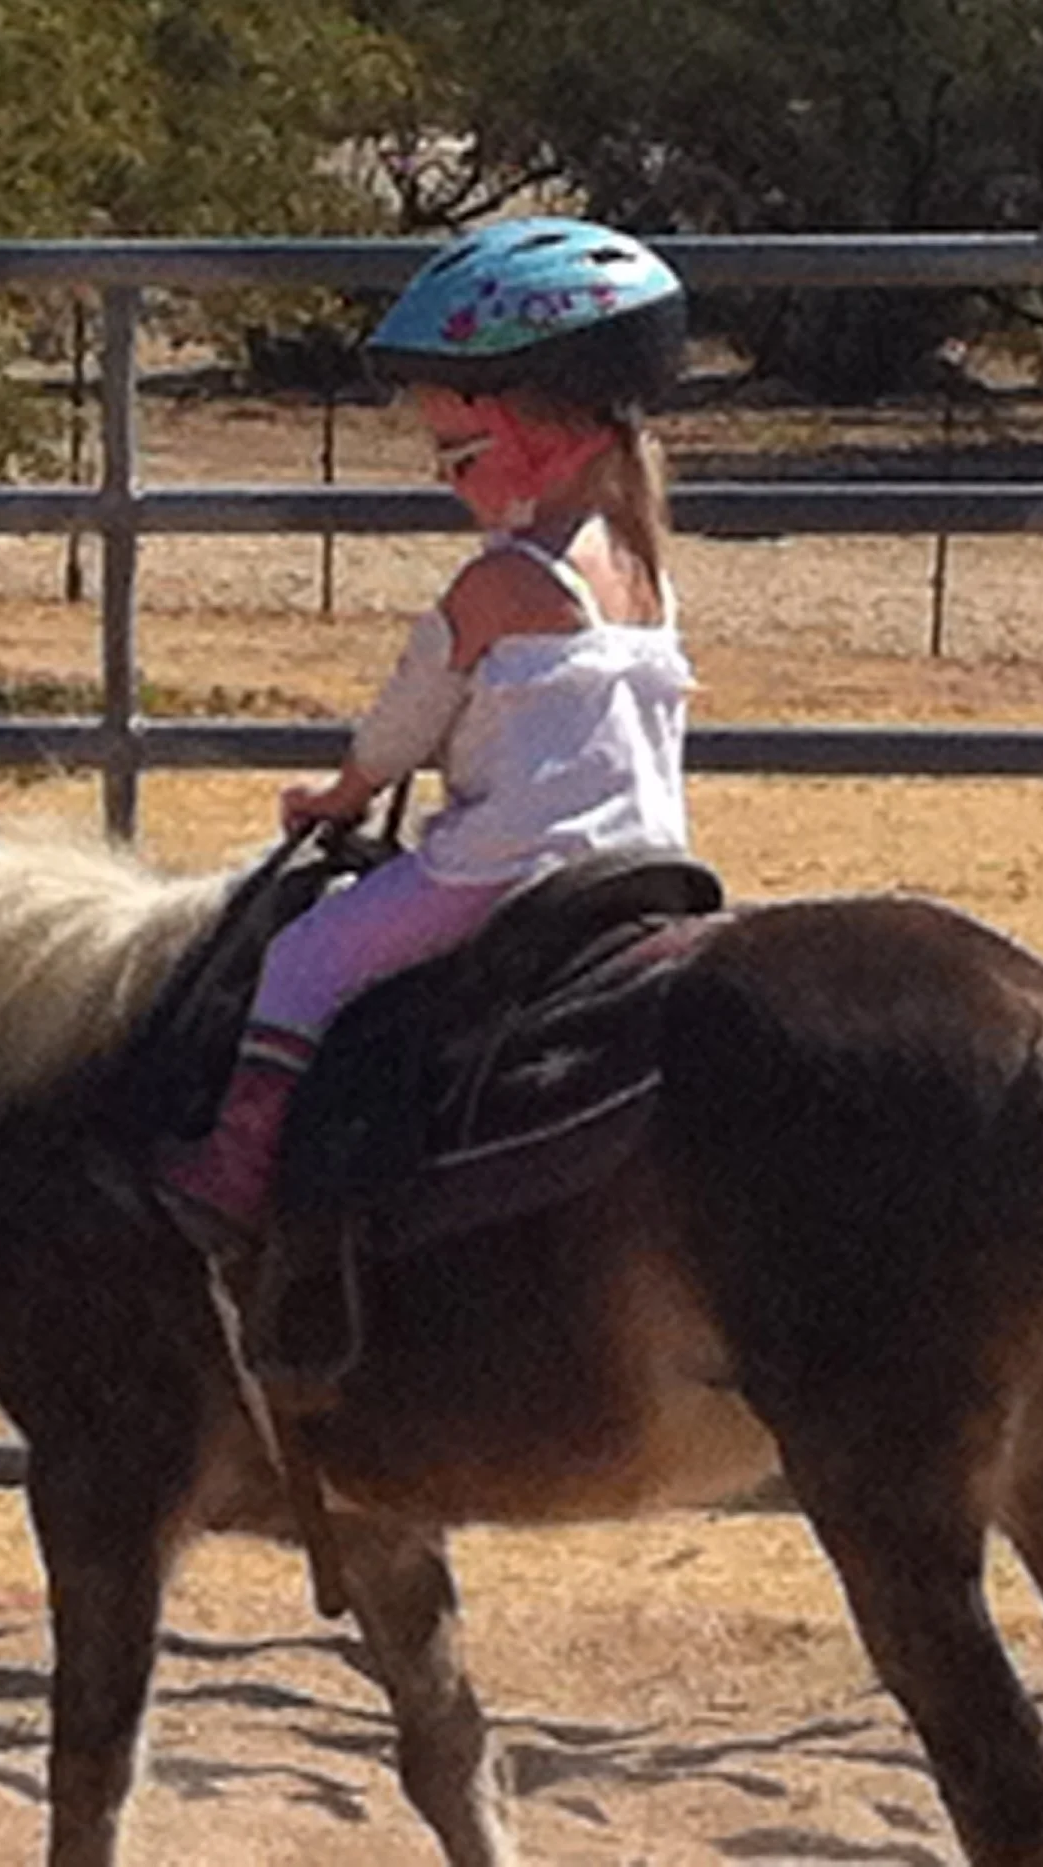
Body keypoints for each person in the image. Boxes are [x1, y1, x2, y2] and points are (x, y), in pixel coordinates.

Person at [158, 217, 694, 1376]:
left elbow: (408, 722)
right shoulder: (638, 563)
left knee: (305, 963)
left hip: (504, 867)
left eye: (457, 455)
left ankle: (234, 1175)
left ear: (536, 439)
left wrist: (340, 792)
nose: (448, 483)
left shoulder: (500, 580)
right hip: (647, 857)